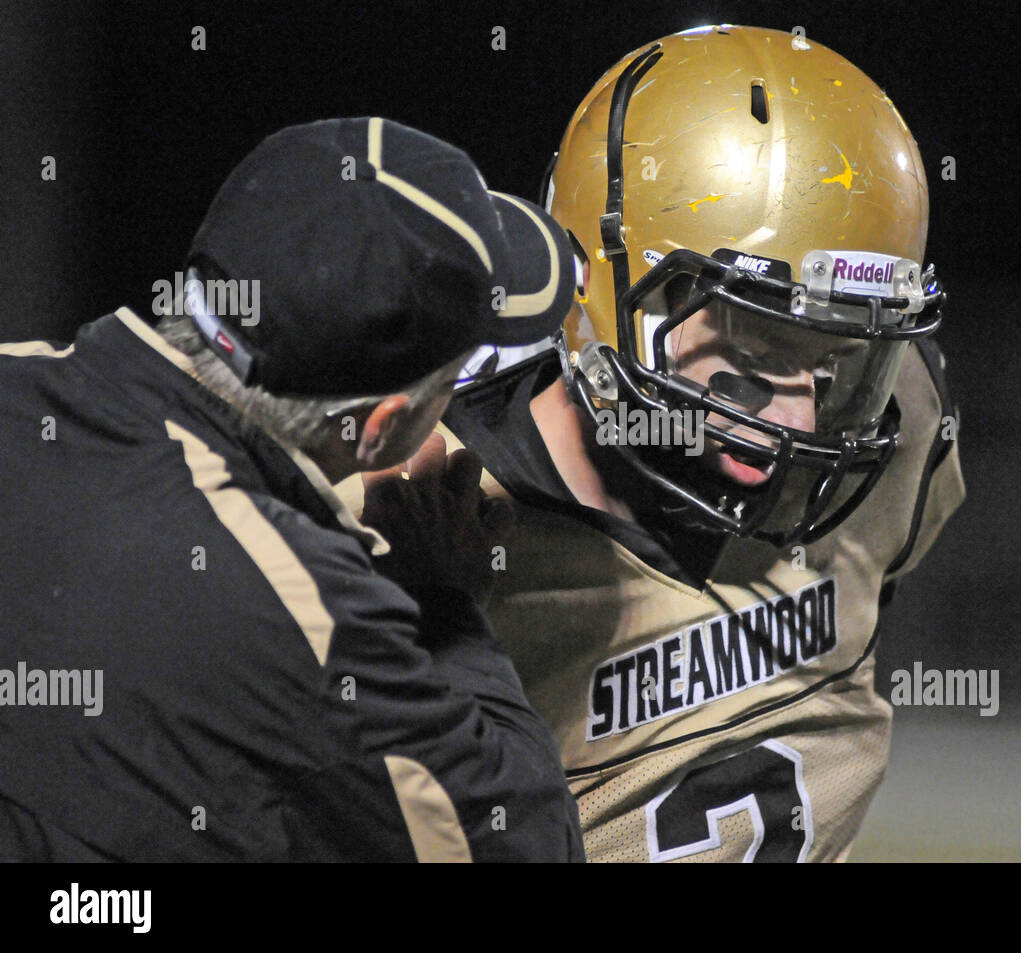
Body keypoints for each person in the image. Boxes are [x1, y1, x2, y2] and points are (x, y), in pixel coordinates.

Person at [439, 26, 966, 861]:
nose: (797, 423)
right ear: (595, 291)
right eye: (754, 351)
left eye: (835, 361)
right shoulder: (443, 512)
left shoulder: (902, 426)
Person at [0, 117, 584, 862]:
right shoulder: (314, 613)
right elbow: (528, 845)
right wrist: (441, 605)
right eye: (455, 378)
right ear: (379, 427)